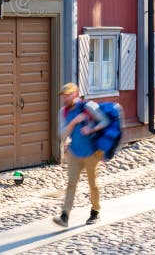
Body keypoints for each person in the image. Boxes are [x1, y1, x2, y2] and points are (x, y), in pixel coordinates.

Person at [53, 82, 109, 228]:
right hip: (74, 153)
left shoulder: (88, 107)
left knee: (92, 183)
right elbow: (61, 134)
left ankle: (95, 211)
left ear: (75, 94)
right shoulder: (63, 112)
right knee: (71, 183)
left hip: (92, 152)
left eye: (67, 95)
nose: (64, 98)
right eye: (63, 96)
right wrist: (73, 123)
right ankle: (64, 216)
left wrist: (91, 129)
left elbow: (105, 121)